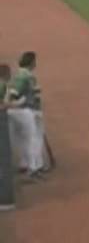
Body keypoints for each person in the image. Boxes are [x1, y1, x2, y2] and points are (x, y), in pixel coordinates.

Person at [7, 52, 45, 181]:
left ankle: (25, 164)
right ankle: (34, 168)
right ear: (31, 62)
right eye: (34, 61)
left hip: (19, 112)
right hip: (27, 111)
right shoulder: (26, 76)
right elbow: (14, 94)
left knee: (22, 139)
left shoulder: (19, 74)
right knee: (33, 139)